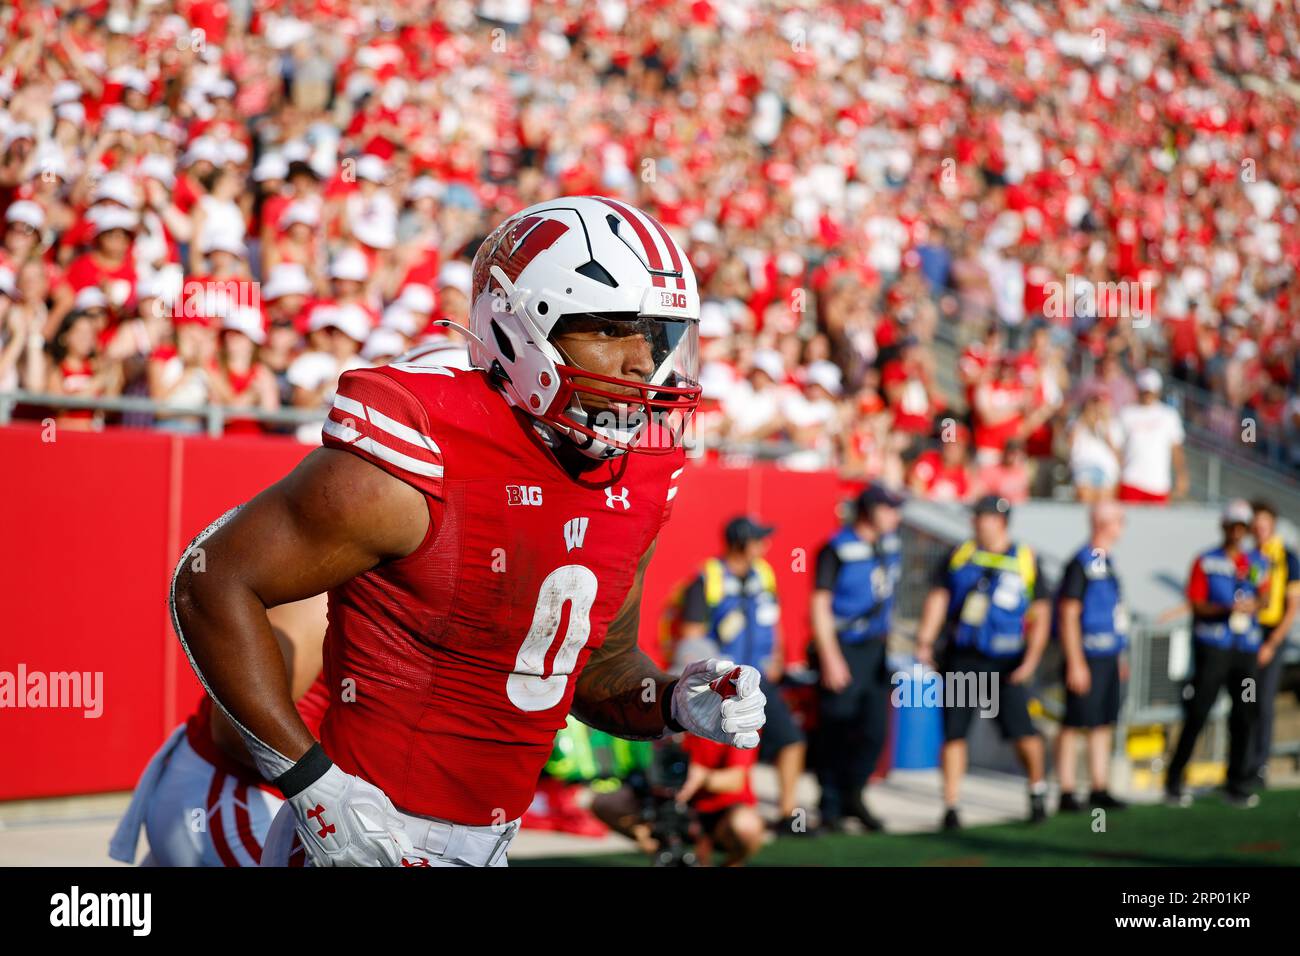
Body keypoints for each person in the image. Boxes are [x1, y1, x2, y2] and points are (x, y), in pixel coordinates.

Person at [168, 197, 766, 867]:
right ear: (517, 329)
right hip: (367, 836)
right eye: (609, 328)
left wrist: (672, 701)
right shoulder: (424, 447)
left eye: (655, 335)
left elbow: (596, 669)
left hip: (489, 847)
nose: (640, 363)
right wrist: (312, 787)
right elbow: (210, 581)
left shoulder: (645, 471)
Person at [109, 596, 329, 867]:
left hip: (240, 800)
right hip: (227, 797)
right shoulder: (318, 600)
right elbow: (236, 732)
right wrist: (340, 783)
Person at [915, 495, 1050, 830]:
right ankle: (951, 805)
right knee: (955, 733)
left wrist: (1031, 660)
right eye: (975, 516)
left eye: (983, 516)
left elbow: (1041, 614)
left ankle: (1036, 789)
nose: (976, 522)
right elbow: (939, 596)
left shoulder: (1024, 558)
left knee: (1023, 733)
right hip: (965, 657)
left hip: (1006, 662)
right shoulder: (961, 555)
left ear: (1000, 520)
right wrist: (925, 641)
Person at [675, 516, 808, 836]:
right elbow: (692, 637)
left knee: (791, 740)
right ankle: (697, 815)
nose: (766, 545)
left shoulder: (763, 573)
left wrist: (777, 657)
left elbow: (772, 620)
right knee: (725, 752)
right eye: (759, 539)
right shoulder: (707, 578)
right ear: (740, 543)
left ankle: (788, 814)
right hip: (724, 686)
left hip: (760, 680)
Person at [809, 485, 904, 831]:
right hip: (843, 646)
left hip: (875, 649)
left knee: (874, 729)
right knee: (837, 725)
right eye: (889, 509)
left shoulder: (890, 544)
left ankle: (855, 793)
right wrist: (831, 657)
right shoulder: (836, 549)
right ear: (870, 511)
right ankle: (830, 803)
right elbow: (819, 604)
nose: (896, 516)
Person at [1165, 500, 1270, 808]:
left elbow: (1264, 595)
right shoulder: (1206, 561)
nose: (1237, 533)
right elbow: (1195, 602)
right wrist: (1225, 609)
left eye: (1242, 527)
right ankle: (1174, 780)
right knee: (1198, 710)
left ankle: (1237, 782)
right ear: (1224, 527)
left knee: (1245, 713)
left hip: (1245, 651)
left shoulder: (1257, 562)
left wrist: (1254, 605)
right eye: (1232, 526)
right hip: (1214, 647)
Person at [1054, 502, 1129, 811]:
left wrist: (1120, 655)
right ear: (1102, 523)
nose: (1122, 527)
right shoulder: (1081, 562)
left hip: (1108, 654)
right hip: (1086, 653)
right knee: (1074, 722)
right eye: (1118, 521)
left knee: (1102, 722)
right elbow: (1069, 613)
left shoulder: (1105, 562)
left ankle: (1100, 785)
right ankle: (1067, 789)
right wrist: (1075, 661)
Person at [1247, 500, 1299, 785]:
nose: (1259, 530)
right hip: (1248, 639)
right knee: (1247, 698)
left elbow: (1292, 607)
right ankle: (1243, 760)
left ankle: (1259, 764)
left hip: (1270, 637)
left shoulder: (1286, 557)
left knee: (1263, 700)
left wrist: (1271, 643)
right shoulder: (1252, 558)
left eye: (1263, 524)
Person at [1117, 369, 1189, 504]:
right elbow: (1117, 447)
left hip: (1158, 483)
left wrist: (1181, 475)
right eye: (1145, 391)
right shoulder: (1126, 413)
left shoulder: (1169, 415)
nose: (1148, 395)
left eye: (1150, 391)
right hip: (1131, 479)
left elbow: (1176, 448)